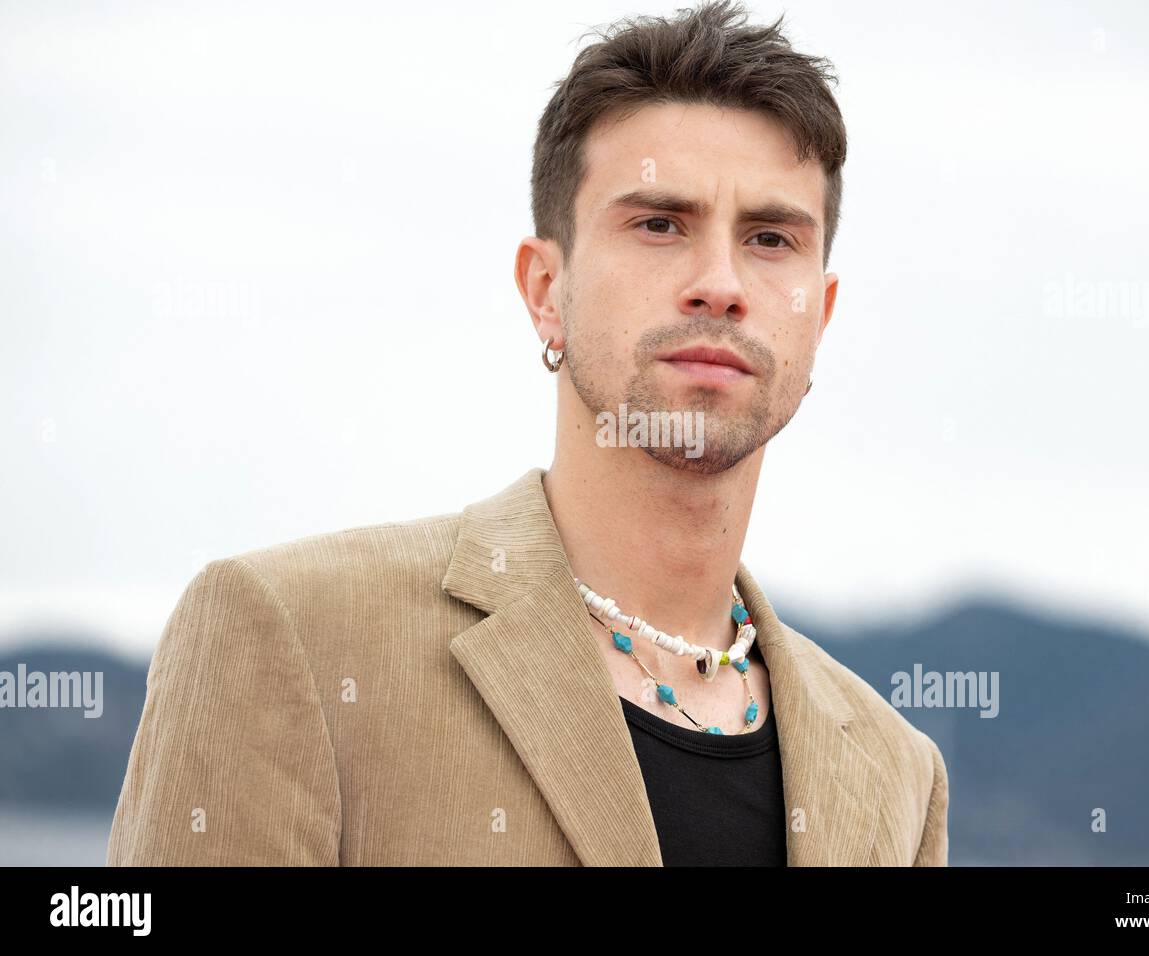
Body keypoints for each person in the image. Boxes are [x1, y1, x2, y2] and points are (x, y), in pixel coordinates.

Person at [107, 0, 947, 867]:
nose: (721, 283)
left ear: (822, 316)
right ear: (546, 289)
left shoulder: (894, 774)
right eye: (660, 223)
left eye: (771, 238)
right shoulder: (293, 637)